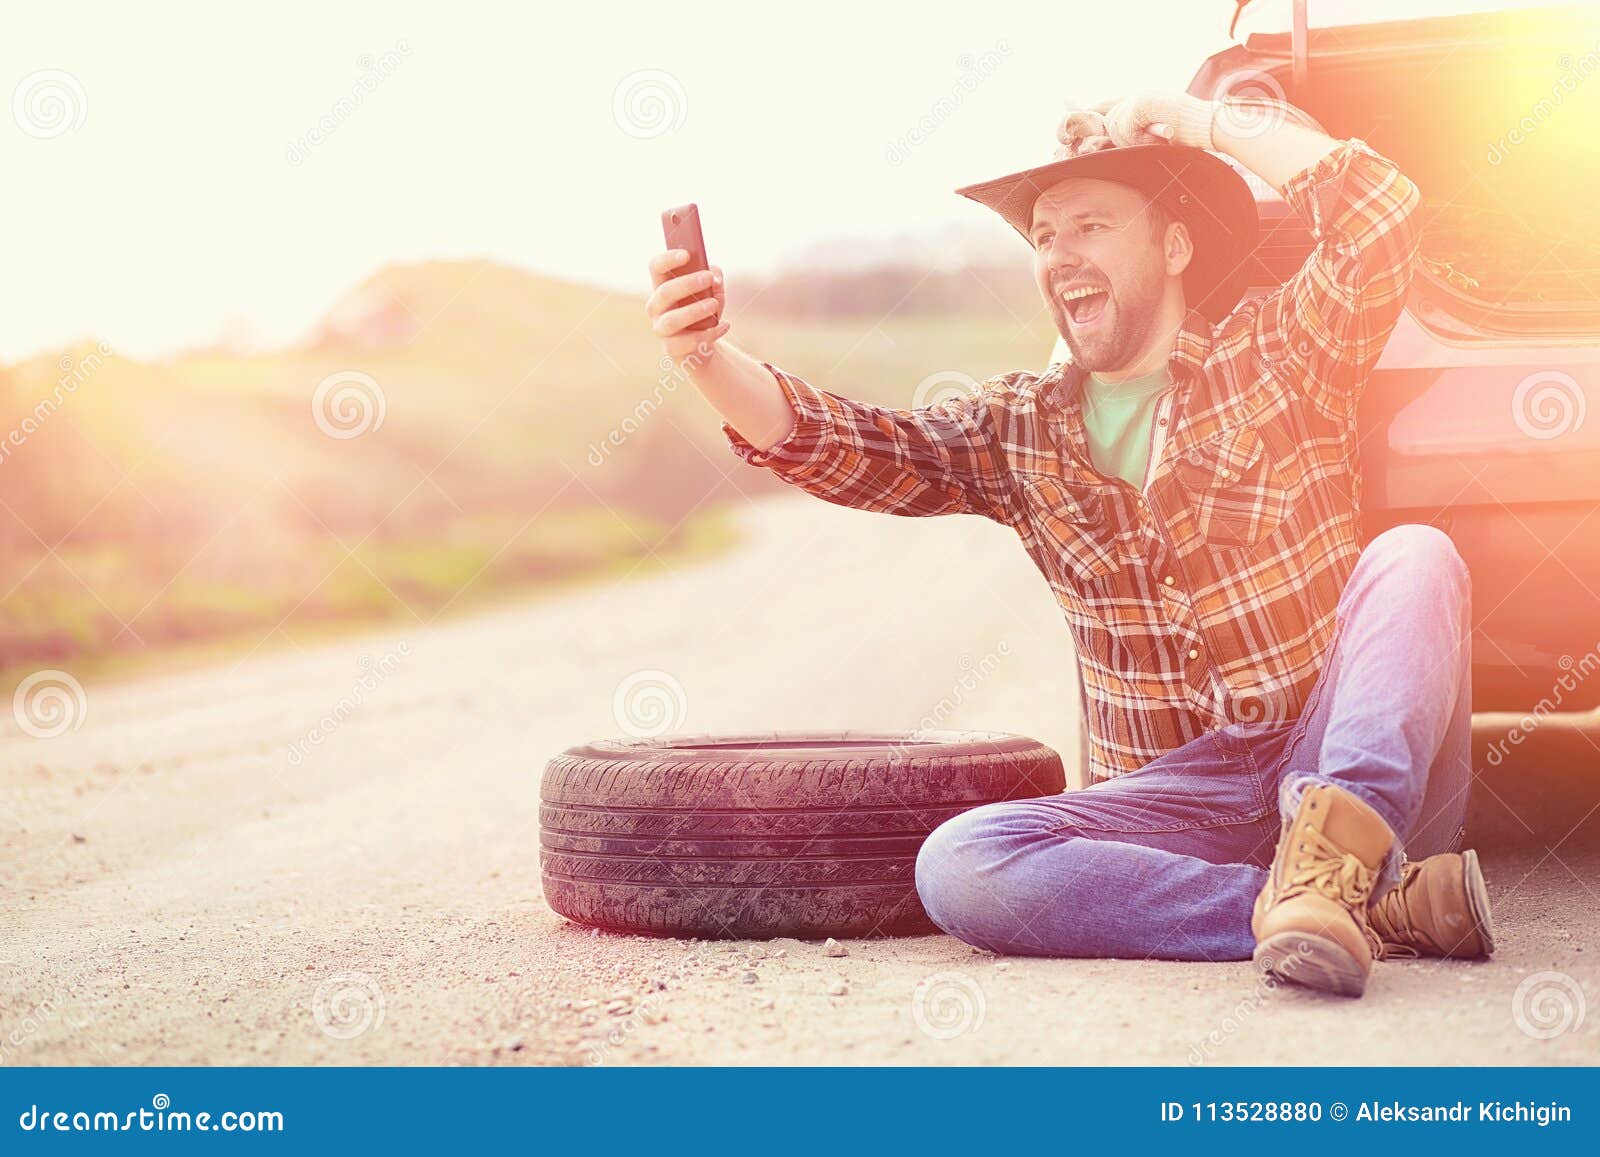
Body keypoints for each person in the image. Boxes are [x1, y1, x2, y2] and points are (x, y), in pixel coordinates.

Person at [643, 90, 1494, 996]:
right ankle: (1319, 906)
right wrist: (703, 357)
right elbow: (848, 445)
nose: (1062, 254)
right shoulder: (1022, 431)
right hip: (1174, 802)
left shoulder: (1278, 353)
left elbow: (1380, 213)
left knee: (1414, 558)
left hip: (1329, 757)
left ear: (1172, 248)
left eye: (1092, 225)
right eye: (1046, 236)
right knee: (960, 863)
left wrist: (1195, 121)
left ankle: (1341, 860)